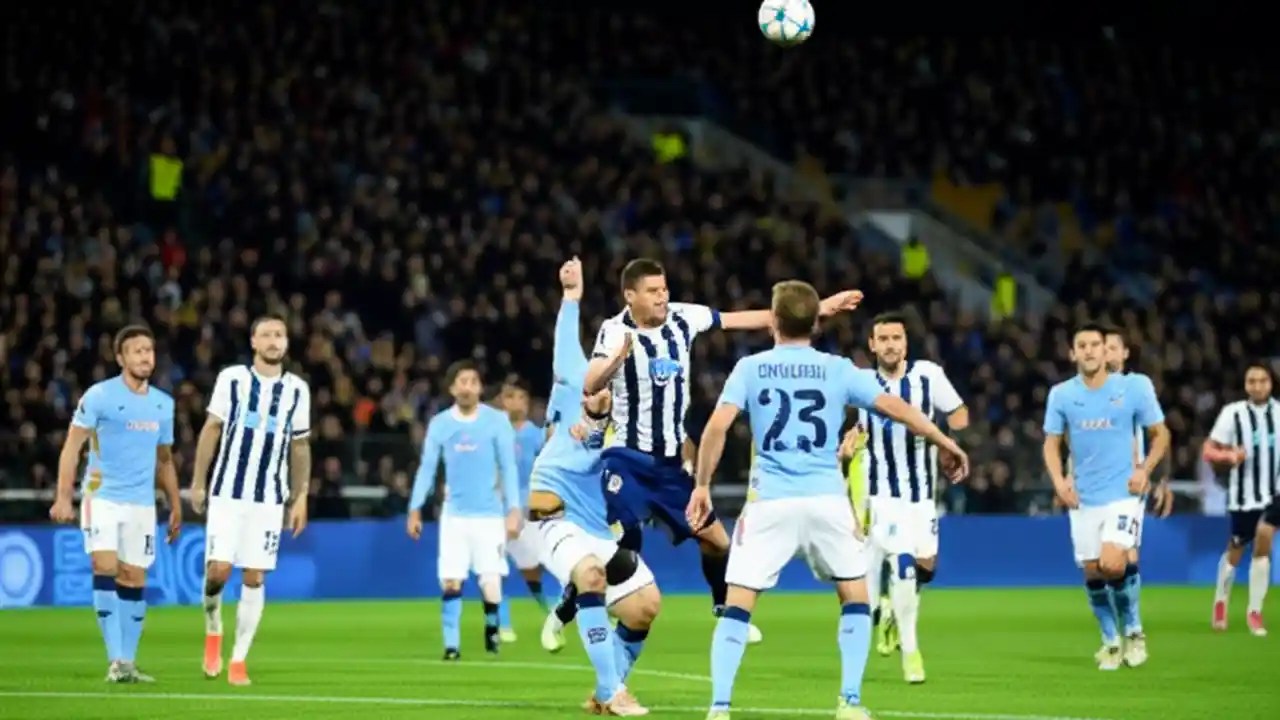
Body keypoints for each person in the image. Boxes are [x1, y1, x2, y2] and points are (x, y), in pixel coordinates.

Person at [687, 280, 969, 720]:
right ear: (814, 326)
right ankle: (850, 702)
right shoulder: (839, 370)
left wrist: (702, 485)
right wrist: (943, 441)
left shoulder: (750, 367)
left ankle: (720, 706)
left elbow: (716, 428)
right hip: (826, 500)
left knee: (738, 604)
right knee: (855, 597)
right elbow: (899, 409)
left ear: (774, 321)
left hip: (769, 503)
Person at [574, 258, 861, 641]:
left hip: (671, 461)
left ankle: (723, 605)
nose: (662, 297)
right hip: (626, 455)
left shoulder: (684, 318)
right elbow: (591, 384)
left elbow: (739, 319)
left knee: (717, 542)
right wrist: (616, 360)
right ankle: (604, 606)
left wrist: (818, 308)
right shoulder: (613, 331)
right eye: (653, 291)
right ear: (631, 295)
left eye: (664, 289)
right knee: (625, 532)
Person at [530, 256, 658, 715]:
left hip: (597, 526)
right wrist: (571, 297)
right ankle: (611, 690)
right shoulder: (573, 385)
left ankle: (607, 687)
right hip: (554, 514)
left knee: (645, 607)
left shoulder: (629, 424)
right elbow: (565, 344)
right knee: (590, 577)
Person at [49, 325, 181, 683]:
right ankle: (114, 659)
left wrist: (175, 503)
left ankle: (126, 662)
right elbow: (72, 447)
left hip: (141, 503)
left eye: (149, 351)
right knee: (104, 565)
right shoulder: (99, 396)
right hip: (101, 495)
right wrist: (64, 496)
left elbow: (165, 459)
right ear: (120, 358)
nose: (145, 357)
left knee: (134, 576)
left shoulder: (162, 404)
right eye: (137, 351)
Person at [190, 314, 313, 685]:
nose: (274, 340)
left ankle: (238, 660)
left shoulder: (297, 390)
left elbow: (300, 444)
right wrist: (198, 482)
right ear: (254, 343)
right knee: (218, 571)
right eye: (266, 335)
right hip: (228, 492)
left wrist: (301, 496)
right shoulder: (233, 379)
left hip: (269, 498)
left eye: (280, 334)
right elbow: (211, 428)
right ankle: (214, 627)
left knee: (255, 576)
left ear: (286, 343)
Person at [1042, 322, 1170, 670]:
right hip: (1083, 496)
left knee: (1115, 562)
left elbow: (1160, 434)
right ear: (1073, 353)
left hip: (1123, 494)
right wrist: (1059, 481)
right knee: (1094, 571)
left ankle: (1134, 631)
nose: (1089, 351)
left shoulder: (1134, 387)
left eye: (1095, 345)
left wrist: (1145, 470)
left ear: (1105, 350)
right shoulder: (1062, 395)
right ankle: (1111, 640)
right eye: (1081, 345)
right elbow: (1051, 444)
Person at [852, 311, 968, 683]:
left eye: (896, 338)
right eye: (882, 339)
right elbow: (851, 424)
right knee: (902, 561)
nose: (890, 345)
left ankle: (888, 609)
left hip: (922, 494)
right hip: (881, 493)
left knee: (926, 567)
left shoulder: (928, 376)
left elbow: (959, 412)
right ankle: (912, 653)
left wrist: (953, 441)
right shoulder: (861, 382)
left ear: (906, 343)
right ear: (872, 345)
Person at [407, 361, 522, 659]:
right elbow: (428, 468)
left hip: (489, 516)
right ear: (452, 388)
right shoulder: (441, 424)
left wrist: (514, 509)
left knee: (491, 583)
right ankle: (451, 646)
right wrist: (415, 508)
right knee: (451, 579)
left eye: (473, 381)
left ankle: (492, 628)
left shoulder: (497, 422)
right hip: (454, 516)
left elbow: (508, 467)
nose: (467, 386)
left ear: (480, 387)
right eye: (462, 381)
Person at [1202, 362, 1278, 636]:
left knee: (1265, 537)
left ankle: (1254, 611)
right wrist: (1229, 456)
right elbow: (1208, 450)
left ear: (1271, 383)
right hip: (1242, 495)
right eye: (1251, 381)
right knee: (1236, 549)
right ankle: (1221, 601)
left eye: (1262, 380)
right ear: (1246, 385)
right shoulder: (1232, 413)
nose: (1257, 386)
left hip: (1275, 493)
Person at [496, 377, 550, 642]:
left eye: (521, 398)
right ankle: (501, 622)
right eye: (510, 397)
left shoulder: (536, 435)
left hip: (530, 510)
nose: (516, 402)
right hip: (497, 509)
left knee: (533, 566)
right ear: (502, 402)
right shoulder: (494, 433)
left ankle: (549, 608)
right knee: (496, 565)